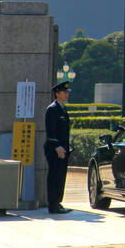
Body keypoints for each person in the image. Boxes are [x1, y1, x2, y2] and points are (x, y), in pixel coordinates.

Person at [44, 81, 72, 214]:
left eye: (67, 92)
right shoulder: (52, 109)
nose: (66, 94)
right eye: (64, 92)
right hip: (55, 149)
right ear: (57, 93)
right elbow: (51, 131)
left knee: (61, 176)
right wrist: (57, 147)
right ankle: (53, 204)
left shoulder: (62, 108)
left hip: (63, 148)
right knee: (54, 176)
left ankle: (58, 202)